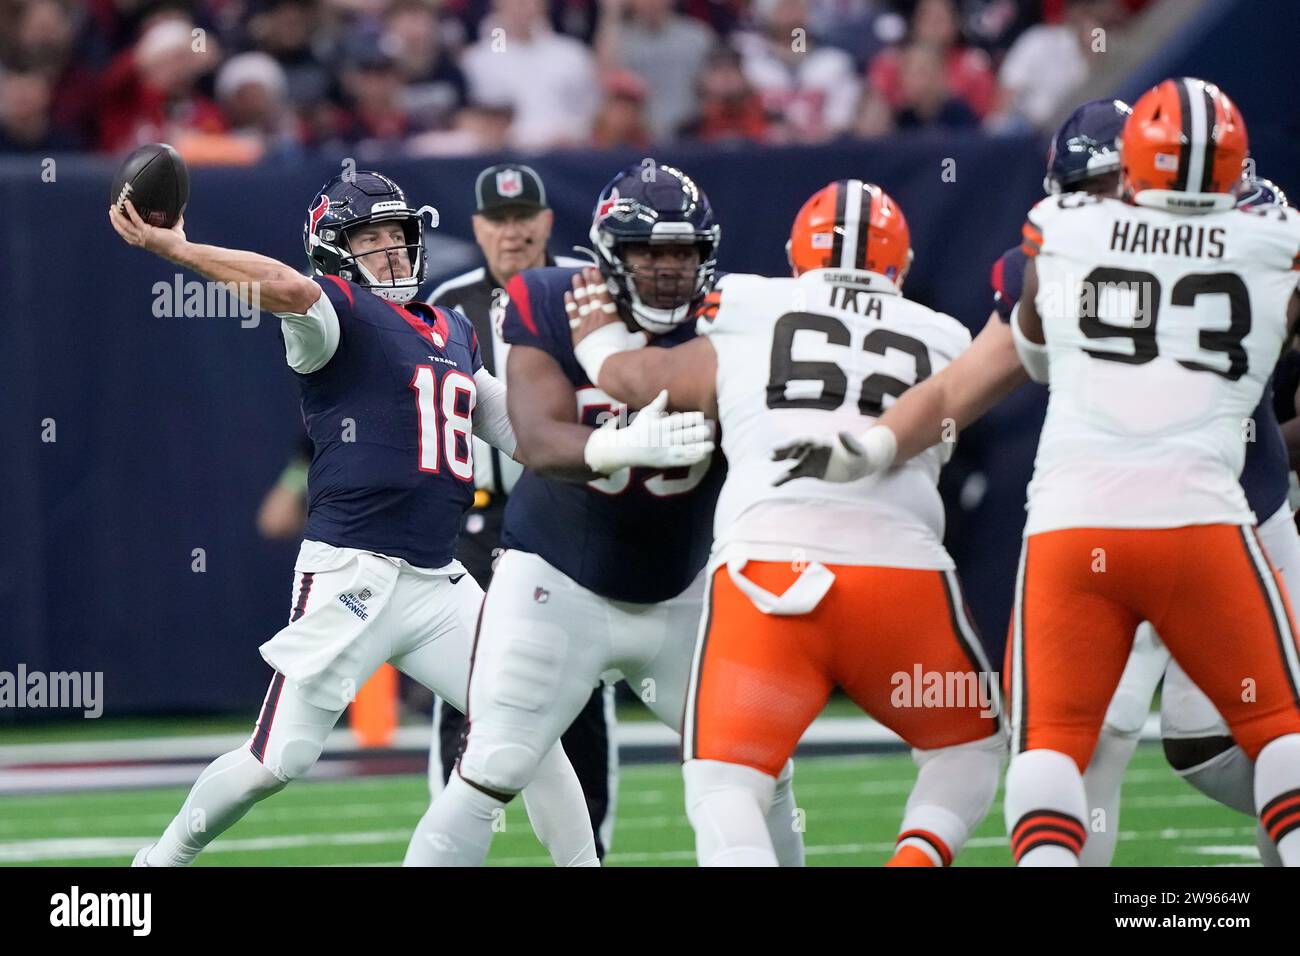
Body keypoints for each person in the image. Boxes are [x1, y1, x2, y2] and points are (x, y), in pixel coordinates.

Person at [109, 169, 709, 866]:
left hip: (438, 578)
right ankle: (160, 861)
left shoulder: (451, 328)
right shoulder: (328, 315)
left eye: (398, 236)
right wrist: (178, 250)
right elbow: (286, 288)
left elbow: (522, 433)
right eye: (371, 239)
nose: (391, 251)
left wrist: (617, 444)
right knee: (278, 759)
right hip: (354, 570)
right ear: (334, 251)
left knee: (530, 730)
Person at [778, 97, 1300, 867]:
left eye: (1115, 180)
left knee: (1087, 744)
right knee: (1161, 745)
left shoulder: (1058, 241)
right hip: (1206, 521)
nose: (1104, 200)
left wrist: (874, 443)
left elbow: (976, 380)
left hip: (1113, 519)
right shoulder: (1264, 238)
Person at [569, 180, 1005, 866]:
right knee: (969, 748)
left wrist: (596, 343)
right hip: (903, 578)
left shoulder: (750, 303)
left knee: (726, 781)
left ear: (795, 255)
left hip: (766, 575)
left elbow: (641, 378)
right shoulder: (945, 335)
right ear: (902, 262)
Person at [402, 163, 803, 867]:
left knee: (758, 766)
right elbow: (536, 436)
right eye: (649, 251)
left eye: (683, 252)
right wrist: (618, 442)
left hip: (683, 585)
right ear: (611, 254)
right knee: (491, 765)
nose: (668, 270)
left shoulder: (738, 318)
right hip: (557, 577)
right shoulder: (546, 299)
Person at [425, 163, 618, 857]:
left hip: (573, 505)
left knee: (580, 678)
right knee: (470, 677)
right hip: (483, 516)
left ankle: (587, 847)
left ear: (544, 220)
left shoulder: (590, 286)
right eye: (497, 220)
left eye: (522, 217)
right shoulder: (448, 303)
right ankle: (458, 839)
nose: (511, 232)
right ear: (478, 227)